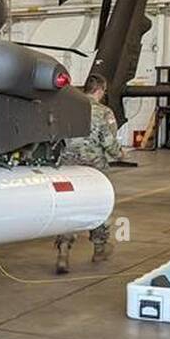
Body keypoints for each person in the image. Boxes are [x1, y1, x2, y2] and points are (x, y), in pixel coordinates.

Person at [55, 72, 122, 274]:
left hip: (68, 167)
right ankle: (99, 249)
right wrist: (119, 153)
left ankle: (64, 250)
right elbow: (109, 144)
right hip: (94, 170)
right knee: (101, 206)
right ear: (100, 90)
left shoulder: (68, 110)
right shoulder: (104, 112)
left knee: (69, 207)